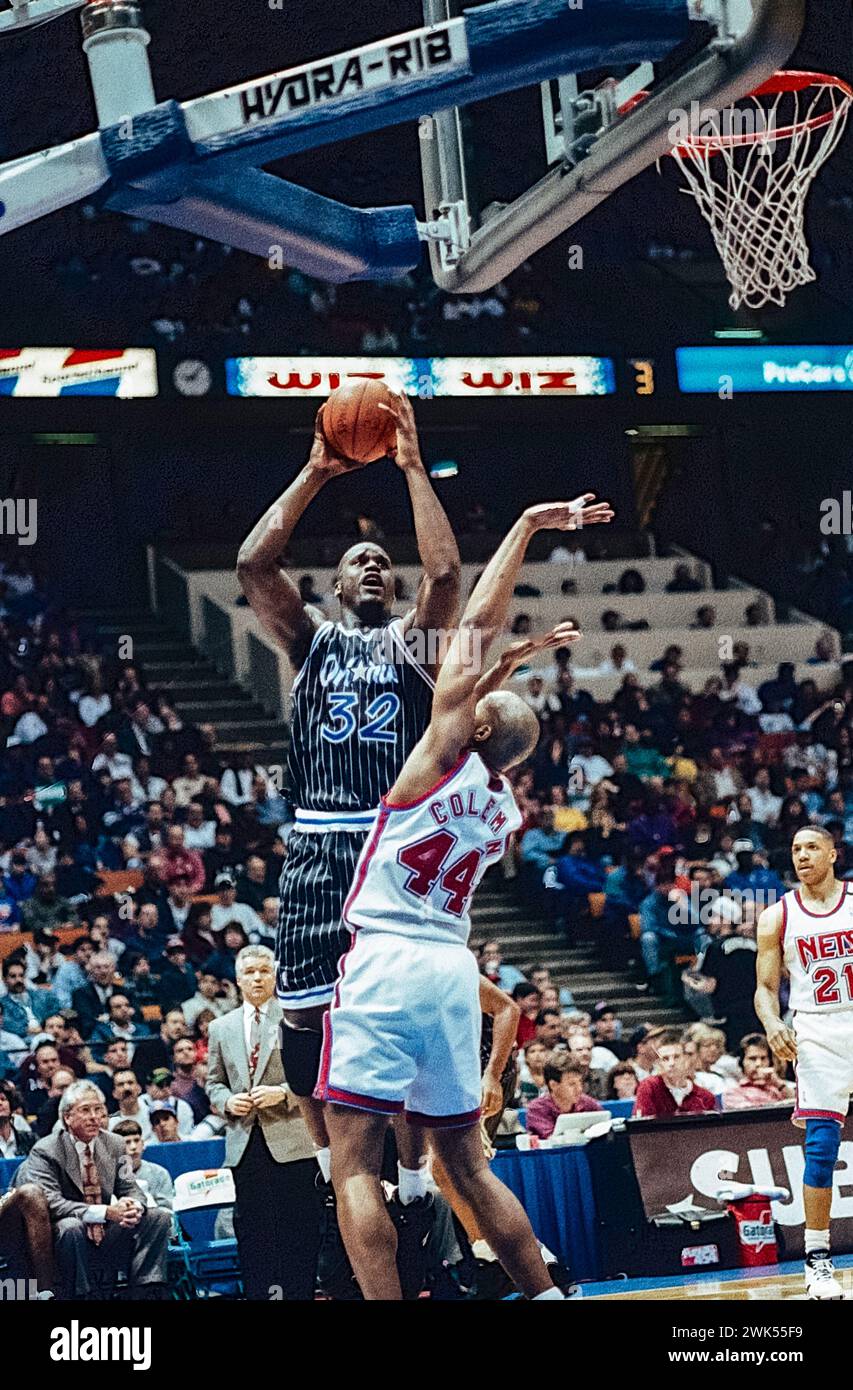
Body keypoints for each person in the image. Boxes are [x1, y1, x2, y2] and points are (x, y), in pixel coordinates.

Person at [319, 492, 613, 1300]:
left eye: (472, 706)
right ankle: (549, 1294)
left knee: (351, 1164)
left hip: (384, 959)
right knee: (470, 1164)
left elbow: (470, 633)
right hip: (452, 971)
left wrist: (520, 526)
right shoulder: (501, 804)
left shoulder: (440, 753)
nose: (461, 697)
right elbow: (485, 677)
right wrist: (515, 666)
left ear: (475, 729)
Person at [237, 395, 461, 1252]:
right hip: (316, 845)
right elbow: (254, 565)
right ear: (333, 586)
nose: (372, 567)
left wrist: (410, 464)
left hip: (386, 849)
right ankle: (345, 1179)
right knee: (304, 1029)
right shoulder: (312, 643)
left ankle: (406, 1182)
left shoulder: (414, 644)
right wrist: (317, 471)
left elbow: (444, 578)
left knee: (393, 1031)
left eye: (381, 562)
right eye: (356, 561)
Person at [755, 825, 853, 1300]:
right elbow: (765, 988)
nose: (802, 855)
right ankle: (817, 1260)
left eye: (812, 847)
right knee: (821, 1146)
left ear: (833, 854)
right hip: (816, 1031)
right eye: (795, 849)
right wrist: (773, 1023)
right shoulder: (777, 916)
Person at [206, 944, 320, 1301]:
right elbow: (213, 1082)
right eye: (250, 972)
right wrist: (227, 1101)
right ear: (238, 979)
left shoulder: (292, 1019)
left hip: (292, 1140)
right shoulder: (220, 1027)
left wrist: (284, 1094)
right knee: (252, 1231)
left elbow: (315, 1075)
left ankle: (299, 1295)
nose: (257, 978)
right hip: (244, 1142)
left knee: (299, 1227)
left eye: (264, 971)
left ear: (275, 975)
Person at [25, 1079, 171, 1299]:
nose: (94, 1117)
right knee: (71, 1227)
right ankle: (84, 1296)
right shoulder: (45, 1150)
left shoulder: (115, 1143)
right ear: (67, 1117)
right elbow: (50, 1203)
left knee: (157, 1218)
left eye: (98, 1110)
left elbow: (130, 1187)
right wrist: (105, 1212)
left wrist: (132, 1206)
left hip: (108, 1232)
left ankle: (144, 1291)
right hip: (65, 1237)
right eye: (85, 1110)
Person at [632, 1030, 717, 1119]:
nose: (671, 1063)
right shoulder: (649, 1087)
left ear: (686, 1059)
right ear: (658, 1063)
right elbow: (643, 1128)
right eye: (665, 1059)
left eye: (676, 1057)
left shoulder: (705, 1097)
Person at [525, 1056, 603, 1139]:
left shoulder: (587, 1103)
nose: (579, 1089)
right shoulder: (537, 1109)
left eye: (580, 1082)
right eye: (572, 1084)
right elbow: (553, 1139)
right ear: (553, 1085)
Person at [112, 1119, 175, 1210]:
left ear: (143, 1144)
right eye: (127, 1142)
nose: (133, 1147)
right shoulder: (110, 1176)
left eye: (136, 1140)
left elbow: (168, 1209)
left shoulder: (160, 1173)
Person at [724, 1034, 795, 1111]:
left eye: (763, 1058)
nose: (759, 1064)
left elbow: (799, 1108)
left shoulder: (780, 1088)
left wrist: (779, 1084)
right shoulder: (732, 1093)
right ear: (742, 1062)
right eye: (752, 1058)